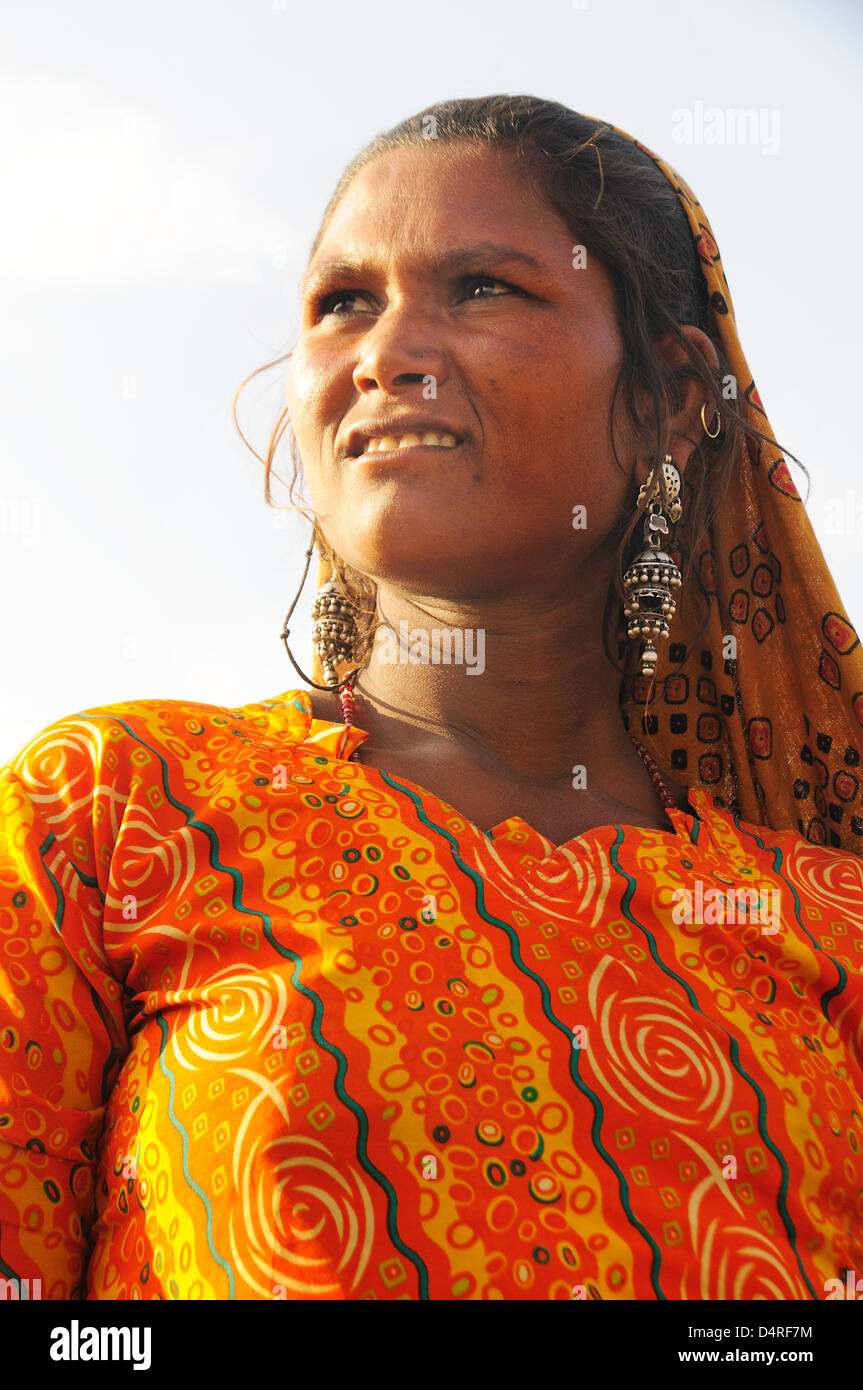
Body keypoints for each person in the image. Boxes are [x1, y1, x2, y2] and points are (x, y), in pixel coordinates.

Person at [1, 95, 862, 1302]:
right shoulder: (117, 808)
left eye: (481, 288)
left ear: (670, 397)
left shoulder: (825, 925)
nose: (384, 351)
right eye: (341, 301)